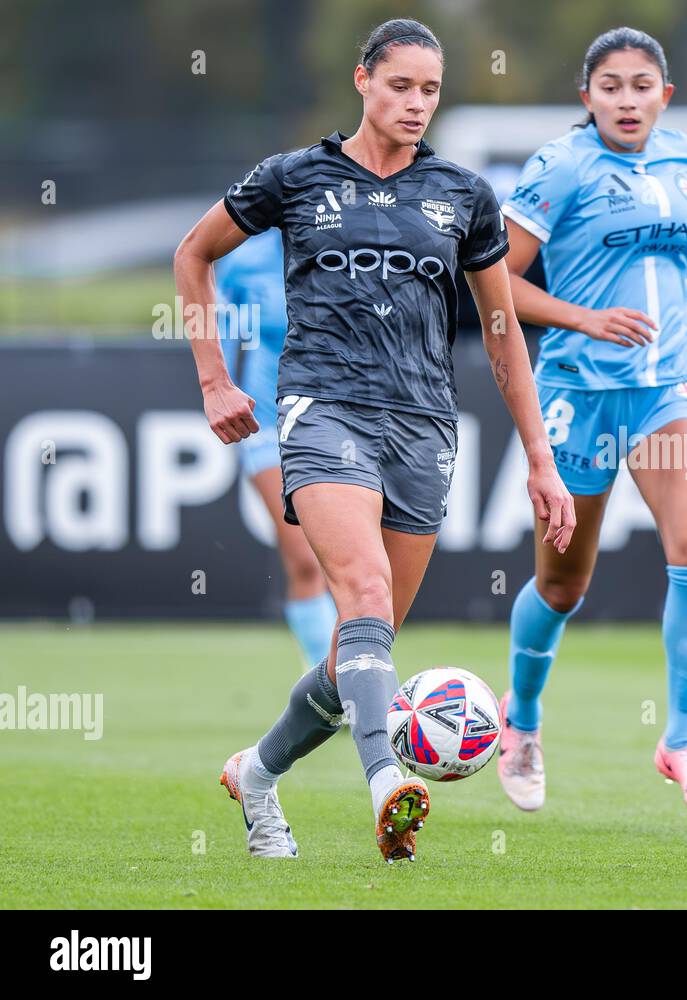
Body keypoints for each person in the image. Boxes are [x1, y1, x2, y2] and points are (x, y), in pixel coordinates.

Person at [173, 18, 574, 864]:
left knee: (362, 646)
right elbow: (193, 253)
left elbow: (503, 335)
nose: (417, 103)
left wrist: (540, 459)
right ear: (363, 81)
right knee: (357, 593)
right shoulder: (293, 177)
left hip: (425, 426)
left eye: (431, 90)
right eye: (401, 86)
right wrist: (214, 378)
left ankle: (256, 773)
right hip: (322, 410)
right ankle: (388, 783)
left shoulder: (464, 195)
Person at [494, 27, 687, 815]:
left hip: (669, 383)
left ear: (663, 95)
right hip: (577, 389)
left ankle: (683, 741)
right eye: (611, 86)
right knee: (563, 583)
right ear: (587, 96)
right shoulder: (560, 166)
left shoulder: (682, 155)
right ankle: (522, 721)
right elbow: (495, 282)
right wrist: (585, 318)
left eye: (642, 85)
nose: (627, 100)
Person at [216, 228, 337, 668]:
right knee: (304, 558)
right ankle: (324, 682)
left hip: (334, 425)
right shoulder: (243, 260)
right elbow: (219, 334)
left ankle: (347, 675)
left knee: (347, 565)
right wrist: (219, 393)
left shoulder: (336, 247)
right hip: (266, 426)